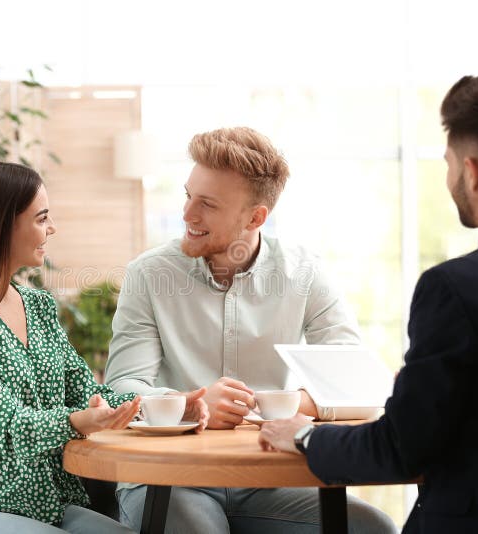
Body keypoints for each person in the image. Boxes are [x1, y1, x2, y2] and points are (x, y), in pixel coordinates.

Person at [259, 75, 478, 534]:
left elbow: (398, 450)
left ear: (472, 171)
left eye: (448, 164)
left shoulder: (454, 288)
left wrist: (306, 435)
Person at [105, 127, 396, 533]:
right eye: (189, 196)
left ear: (256, 217)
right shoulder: (149, 274)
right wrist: (193, 402)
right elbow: (121, 387)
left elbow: (356, 385)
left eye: (207, 204)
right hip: (170, 477)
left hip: (266, 478)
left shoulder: (304, 273)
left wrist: (285, 403)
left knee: (373, 528)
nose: (188, 214)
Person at [0, 161, 208, 534]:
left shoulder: (38, 306)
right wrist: (74, 421)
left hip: (45, 506)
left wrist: (168, 406)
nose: (52, 228)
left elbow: (88, 392)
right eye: (40, 218)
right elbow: (8, 426)